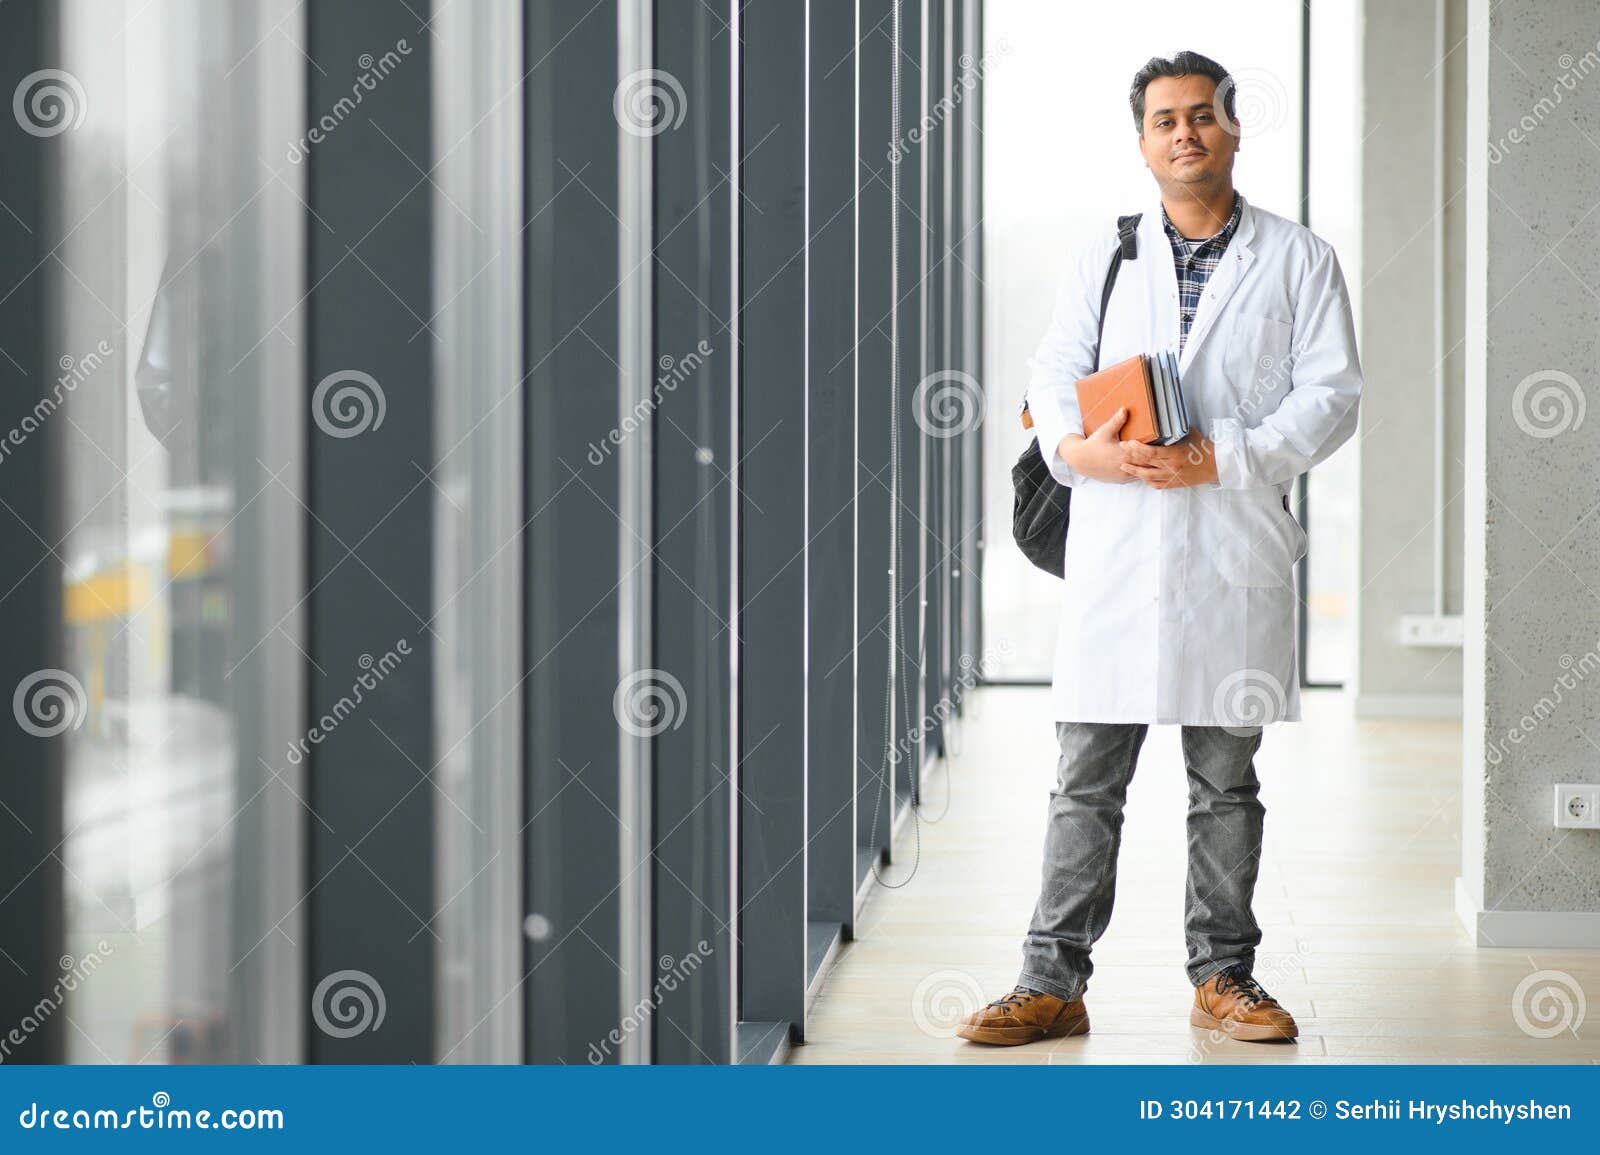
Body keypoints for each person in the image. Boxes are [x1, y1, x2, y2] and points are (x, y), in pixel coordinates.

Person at [959, 51, 1362, 1046]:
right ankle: (1049, 980)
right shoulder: (1103, 251)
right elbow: (1055, 369)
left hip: (1229, 539)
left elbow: (1332, 397)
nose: (1184, 132)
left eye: (1201, 116)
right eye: (1164, 120)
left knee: (1223, 782)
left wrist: (1224, 458)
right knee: (1083, 779)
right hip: (1119, 543)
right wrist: (1075, 446)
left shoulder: (1298, 256)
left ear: (1232, 128)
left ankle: (1224, 977)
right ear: (1142, 142)